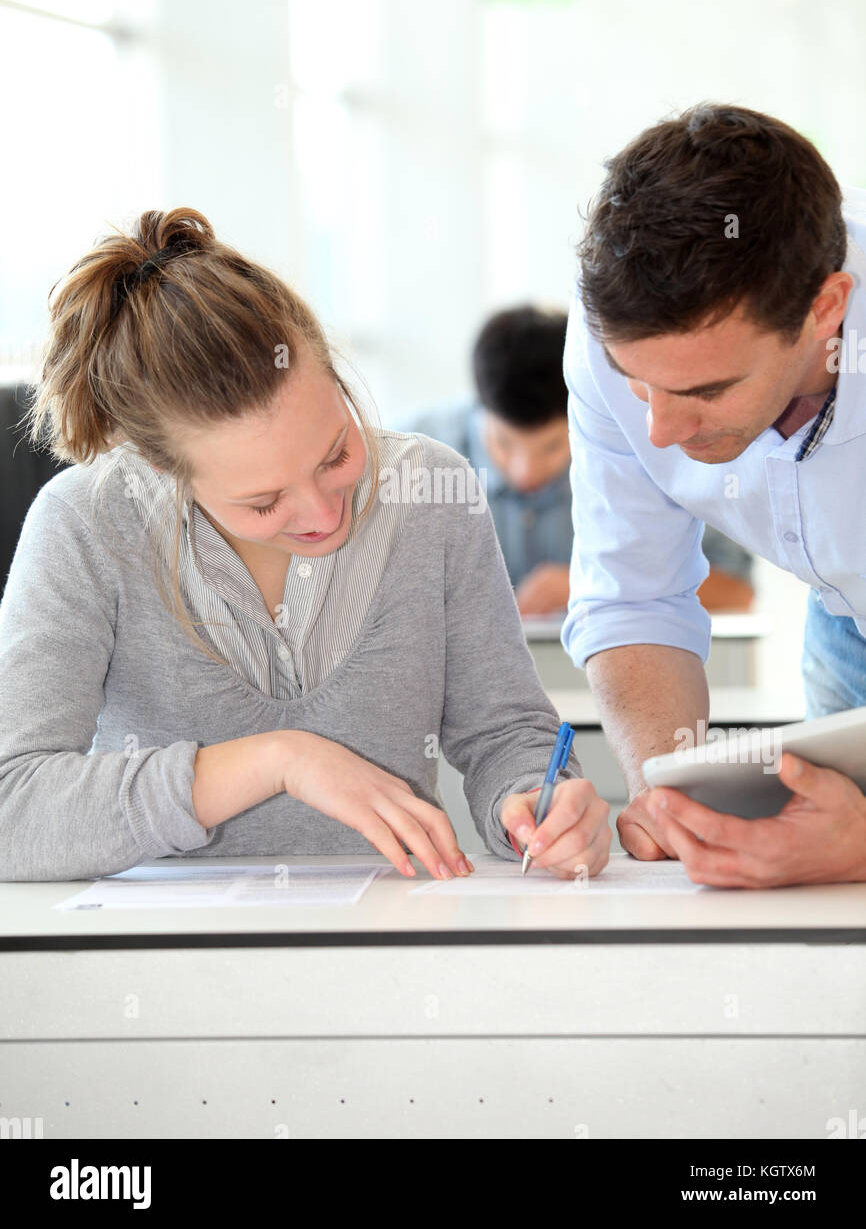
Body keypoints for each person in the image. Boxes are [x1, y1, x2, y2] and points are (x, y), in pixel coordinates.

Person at [0, 208, 611, 883]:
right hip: (157, 965)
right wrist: (279, 760)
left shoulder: (433, 491)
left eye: (336, 453)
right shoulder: (84, 524)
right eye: (263, 501)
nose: (322, 513)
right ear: (162, 468)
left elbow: (505, 735)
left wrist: (531, 805)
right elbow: (12, 808)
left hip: (395, 944)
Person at [563, 102, 866, 887]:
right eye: (640, 386)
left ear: (825, 308)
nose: (658, 430)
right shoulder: (617, 333)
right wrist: (676, 794)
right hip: (844, 621)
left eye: (705, 389)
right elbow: (634, 595)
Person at [400, 303, 755, 615]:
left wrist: (599, 585)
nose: (526, 472)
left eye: (552, 447)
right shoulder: (407, 458)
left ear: (582, 415)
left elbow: (738, 591)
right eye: (505, 444)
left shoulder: (649, 448)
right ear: (481, 409)